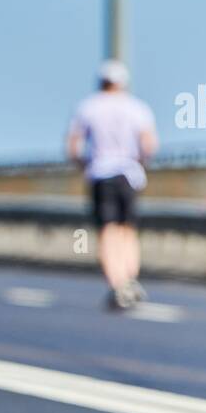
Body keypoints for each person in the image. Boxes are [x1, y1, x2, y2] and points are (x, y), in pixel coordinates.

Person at [66, 59, 158, 310]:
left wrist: (84, 165)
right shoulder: (137, 108)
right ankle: (130, 278)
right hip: (129, 174)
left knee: (107, 231)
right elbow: (149, 145)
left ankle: (118, 284)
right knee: (127, 229)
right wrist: (139, 163)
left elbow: (72, 146)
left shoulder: (88, 107)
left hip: (101, 173)